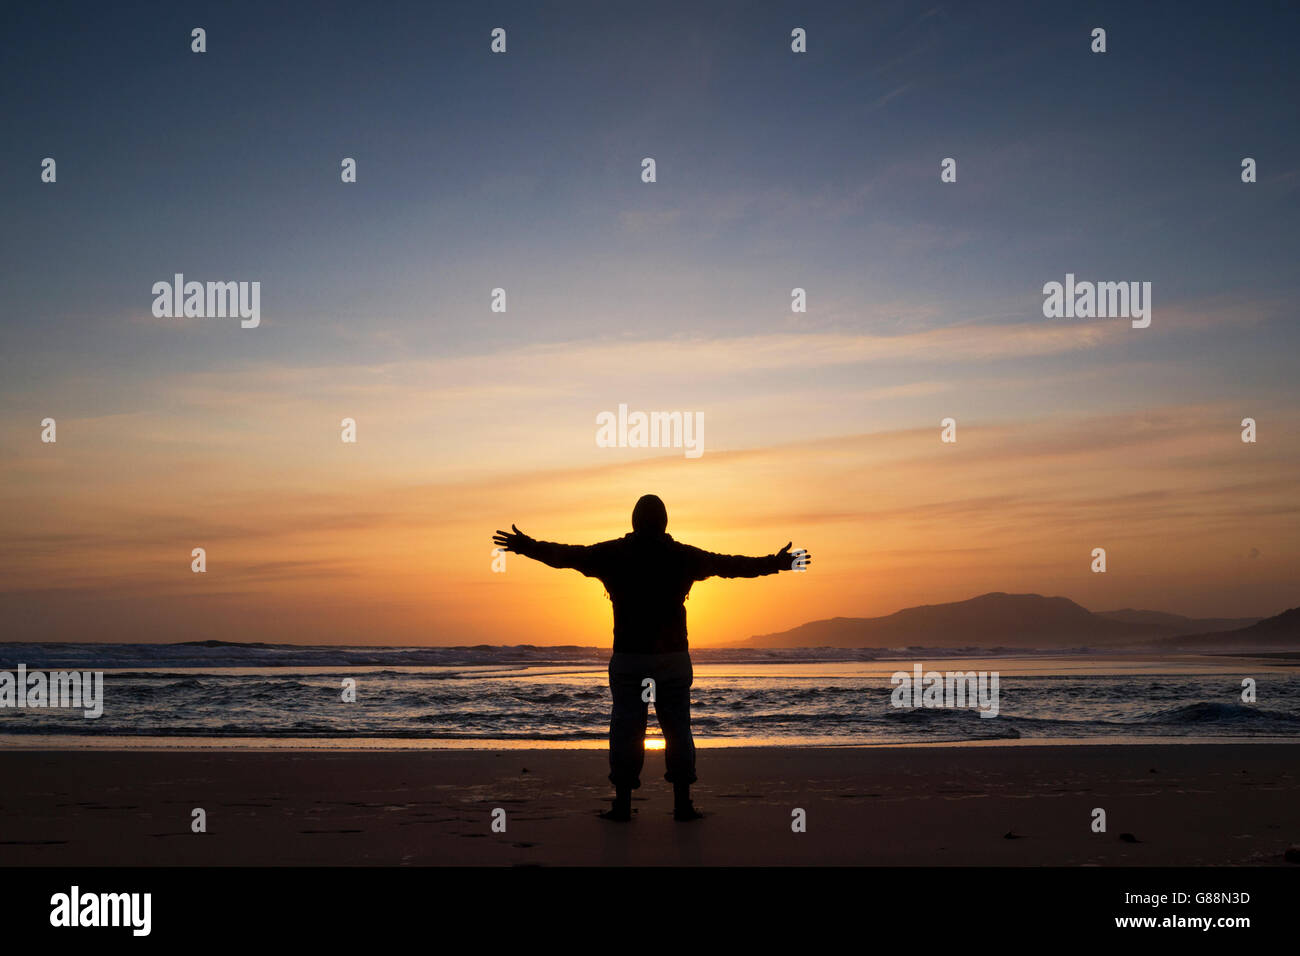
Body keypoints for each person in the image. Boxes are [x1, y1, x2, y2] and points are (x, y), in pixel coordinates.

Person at [492, 494, 810, 822]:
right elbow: (731, 565)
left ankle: (622, 805)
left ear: (634, 522)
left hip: (630, 659)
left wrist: (525, 546)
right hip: (672, 658)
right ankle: (683, 805)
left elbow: (565, 556)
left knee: (626, 730)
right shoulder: (683, 556)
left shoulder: (612, 553)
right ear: (665, 523)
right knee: (678, 730)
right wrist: (777, 563)